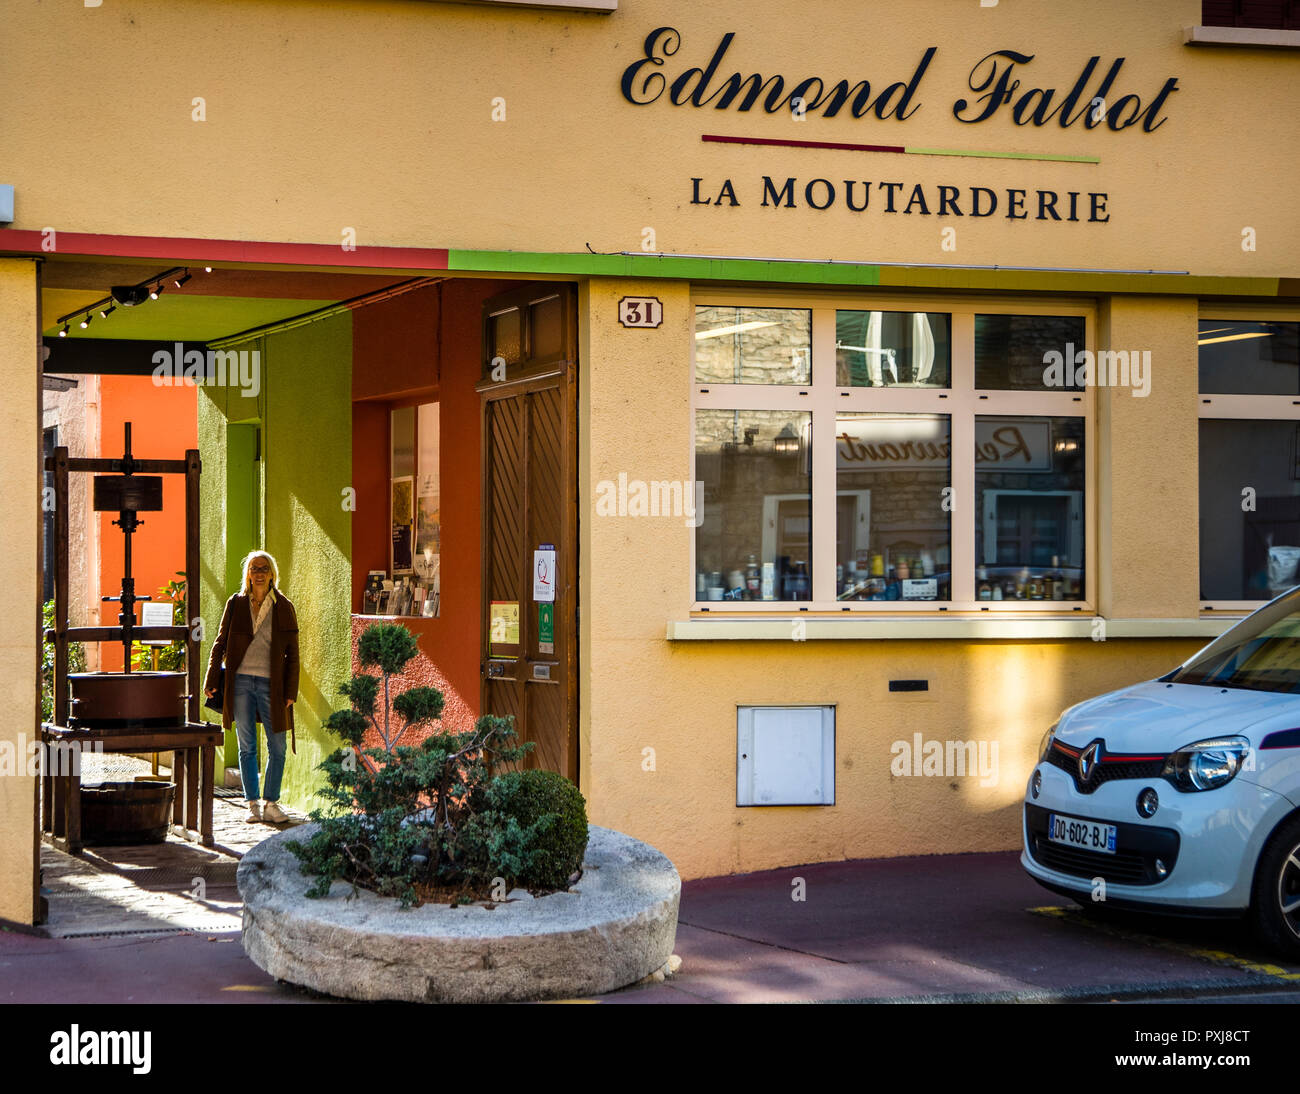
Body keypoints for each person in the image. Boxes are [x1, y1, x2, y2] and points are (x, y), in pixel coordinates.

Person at [204, 550, 299, 824]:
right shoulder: (236, 604)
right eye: (255, 568)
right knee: (247, 747)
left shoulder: (283, 606)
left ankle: (271, 802)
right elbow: (219, 643)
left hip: (274, 685)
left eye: (264, 568)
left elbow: (293, 653)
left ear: (272, 574)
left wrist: (291, 692)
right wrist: (211, 679)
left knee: (278, 746)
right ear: (248, 573)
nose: (259, 573)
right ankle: (252, 804)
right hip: (241, 683)